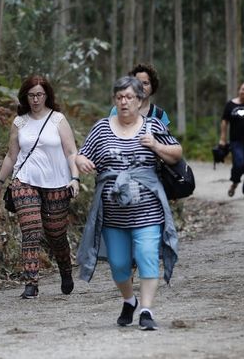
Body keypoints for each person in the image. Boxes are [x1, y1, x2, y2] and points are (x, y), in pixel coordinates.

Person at [76, 76, 181, 331]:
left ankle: (146, 310)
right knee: (119, 265)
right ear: (115, 100)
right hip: (112, 215)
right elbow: (81, 154)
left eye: (129, 97)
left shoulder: (153, 126)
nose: (124, 102)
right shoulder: (101, 128)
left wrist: (155, 145)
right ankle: (129, 300)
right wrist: (80, 163)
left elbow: (176, 153)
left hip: (147, 210)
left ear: (139, 100)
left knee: (146, 256)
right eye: (119, 97)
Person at [0, 76, 81, 299]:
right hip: (25, 181)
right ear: (25, 97)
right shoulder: (19, 122)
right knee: (31, 230)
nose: (36, 99)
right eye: (31, 95)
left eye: (39, 94)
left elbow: (71, 151)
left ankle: (65, 269)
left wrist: (75, 178)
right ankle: (31, 283)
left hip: (57, 182)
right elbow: (12, 155)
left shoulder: (57, 119)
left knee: (56, 233)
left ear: (47, 95)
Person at [219, 82, 244, 199]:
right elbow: (224, 122)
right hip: (236, 140)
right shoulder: (230, 104)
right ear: (239, 90)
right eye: (243, 89)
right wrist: (222, 138)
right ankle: (235, 183)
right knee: (239, 163)